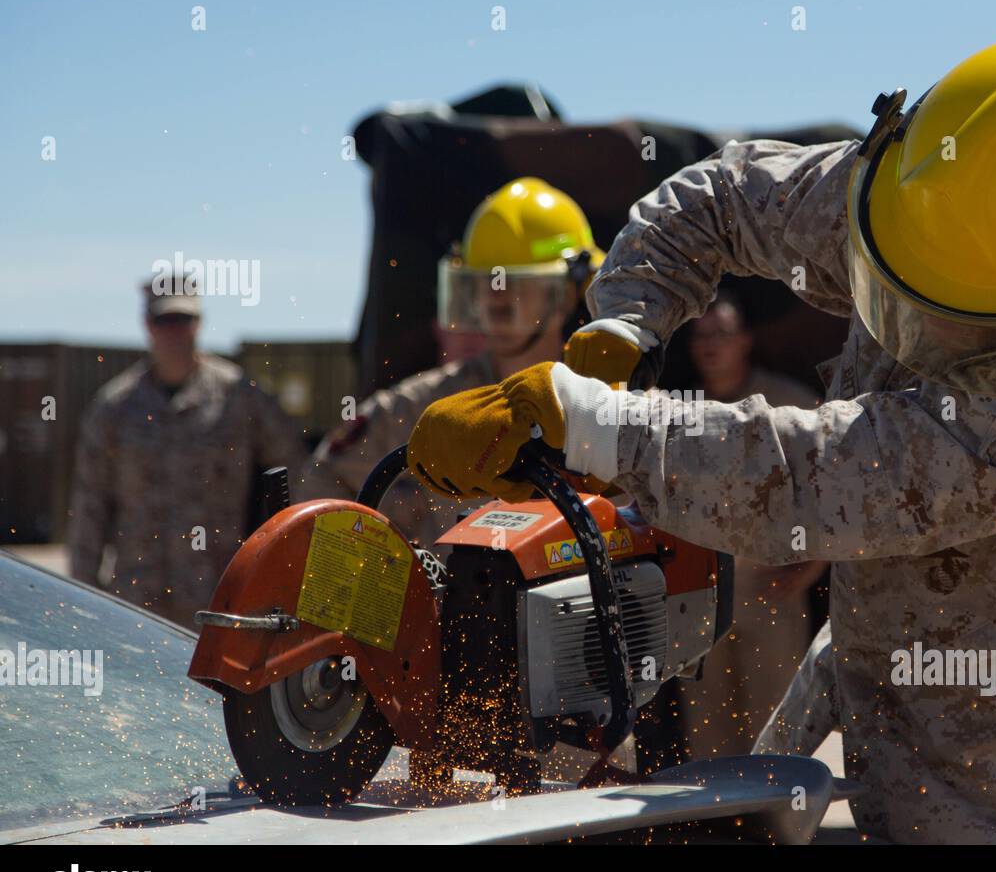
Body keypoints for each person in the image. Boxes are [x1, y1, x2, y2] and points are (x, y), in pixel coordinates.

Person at [403, 35, 996, 843]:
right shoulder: (917, 201)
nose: (907, 322)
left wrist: (594, 427)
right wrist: (623, 321)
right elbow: (717, 200)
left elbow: (828, 474)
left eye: (941, 305)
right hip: (900, 783)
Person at [298, 178, 602, 548]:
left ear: (567, 295)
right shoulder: (430, 403)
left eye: (516, 282)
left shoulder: (604, 403)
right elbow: (323, 477)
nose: (496, 299)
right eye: (485, 283)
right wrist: (387, 562)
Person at [67, 273, 306, 628]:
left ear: (199, 322)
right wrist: (84, 603)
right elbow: (90, 506)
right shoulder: (115, 409)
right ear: (147, 324)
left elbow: (298, 471)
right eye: (165, 320)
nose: (175, 331)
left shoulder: (239, 397)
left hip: (219, 601)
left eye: (184, 319)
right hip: (137, 603)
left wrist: (280, 565)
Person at [677, 292, 827, 758]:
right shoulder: (677, 411)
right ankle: (720, 827)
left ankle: (779, 827)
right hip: (698, 595)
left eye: (720, 334)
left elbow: (832, 483)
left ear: (744, 341)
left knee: (774, 721)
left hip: (770, 589)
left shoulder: (788, 405)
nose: (710, 346)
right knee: (707, 726)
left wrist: (819, 559)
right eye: (700, 336)